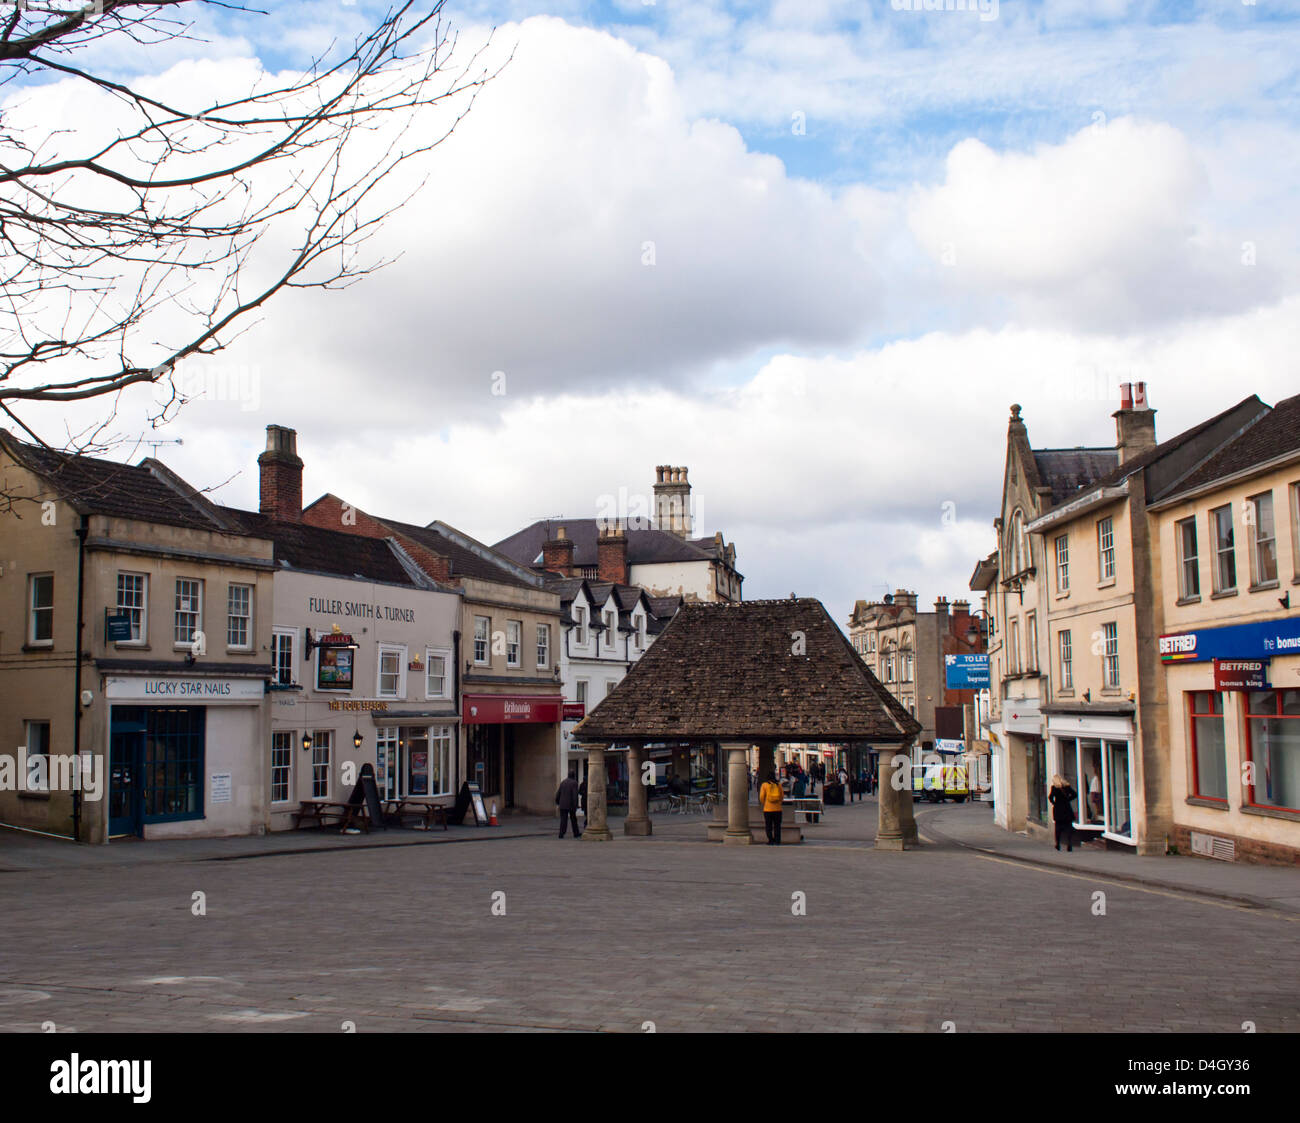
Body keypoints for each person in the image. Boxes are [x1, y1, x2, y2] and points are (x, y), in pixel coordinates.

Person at [1048, 774, 1076, 852]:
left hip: (1058, 810)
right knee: (1069, 827)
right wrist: (1068, 800)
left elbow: (1050, 797)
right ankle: (1069, 844)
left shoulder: (1054, 788)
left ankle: (1058, 844)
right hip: (1067, 808)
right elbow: (1074, 794)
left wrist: (1054, 803)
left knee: (1058, 828)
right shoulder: (1067, 787)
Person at [759, 770, 784, 845]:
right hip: (778, 809)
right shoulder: (778, 785)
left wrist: (765, 803)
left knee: (768, 826)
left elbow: (761, 796)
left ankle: (771, 840)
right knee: (777, 826)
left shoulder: (765, 785)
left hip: (768, 809)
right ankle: (777, 840)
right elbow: (782, 796)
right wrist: (779, 803)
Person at [556, 770, 582, 839]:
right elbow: (574, 795)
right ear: (574, 776)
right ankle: (576, 833)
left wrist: (557, 801)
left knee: (563, 820)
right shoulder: (574, 783)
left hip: (563, 804)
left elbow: (558, 793)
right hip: (570, 804)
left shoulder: (563, 782)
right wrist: (575, 805)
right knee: (573, 819)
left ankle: (561, 834)